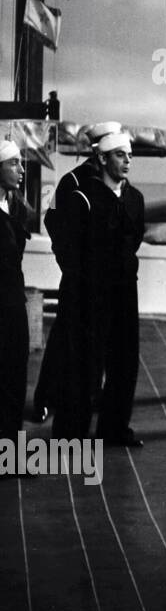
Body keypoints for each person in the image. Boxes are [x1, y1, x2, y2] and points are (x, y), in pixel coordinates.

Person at [52, 132, 146, 447]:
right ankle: (71, 434)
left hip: (124, 290)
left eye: (129, 155)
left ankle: (115, 428)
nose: (127, 161)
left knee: (124, 359)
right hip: (90, 292)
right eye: (120, 155)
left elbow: (134, 239)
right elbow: (68, 246)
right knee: (83, 363)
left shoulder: (135, 198)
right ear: (103, 158)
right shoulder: (84, 197)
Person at [33, 119, 121, 421]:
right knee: (64, 339)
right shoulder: (72, 181)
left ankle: (89, 396)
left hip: (106, 281)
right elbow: (53, 221)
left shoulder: (116, 184)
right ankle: (44, 398)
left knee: (97, 342)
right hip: (78, 278)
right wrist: (69, 263)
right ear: (99, 151)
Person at [0, 140, 30, 455]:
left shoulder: (16, 206)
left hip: (13, 303)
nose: (21, 170)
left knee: (14, 379)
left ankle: (10, 453)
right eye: (13, 163)